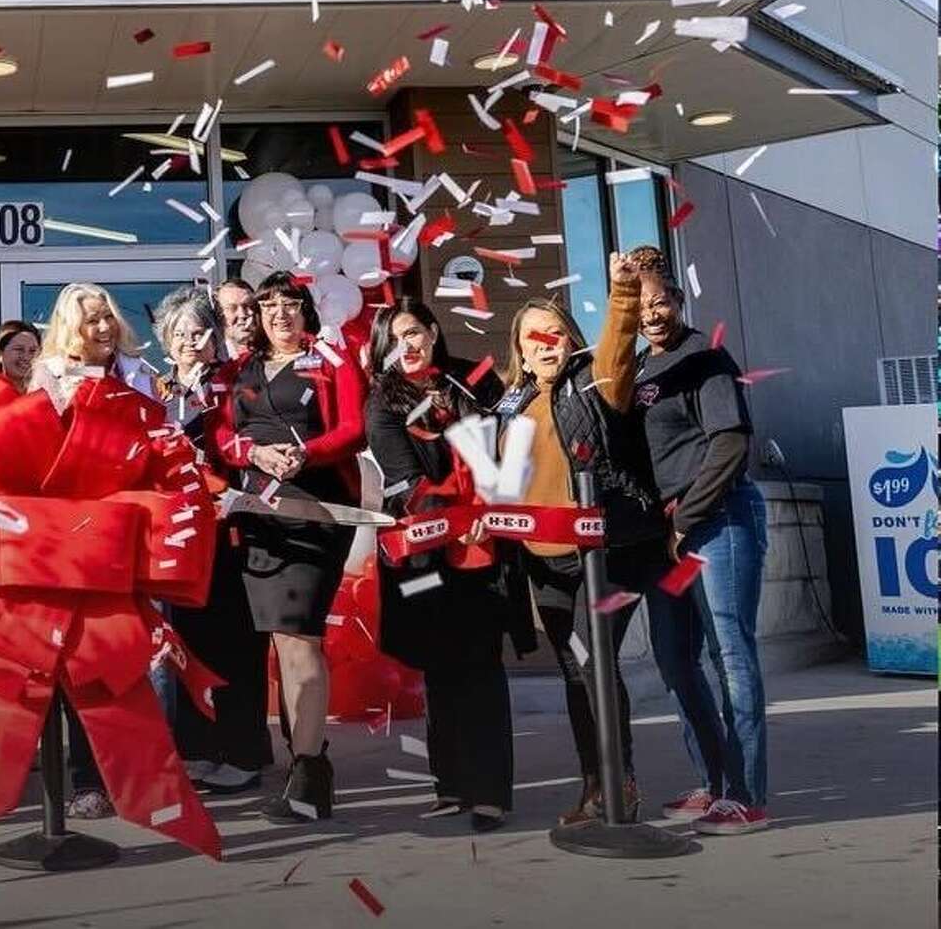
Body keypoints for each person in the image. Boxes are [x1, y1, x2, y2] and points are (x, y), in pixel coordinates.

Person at [495, 255, 667, 827]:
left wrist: (622, 291)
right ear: (518, 349)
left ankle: (620, 782)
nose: (544, 345)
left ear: (568, 338)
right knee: (574, 669)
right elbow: (502, 481)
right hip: (545, 561)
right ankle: (594, 782)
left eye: (553, 334)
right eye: (531, 338)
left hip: (608, 551)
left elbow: (618, 343)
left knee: (595, 663)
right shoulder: (511, 405)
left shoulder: (594, 380)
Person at [365, 299, 530, 832]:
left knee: (481, 667)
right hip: (425, 556)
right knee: (440, 667)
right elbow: (406, 483)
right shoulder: (383, 403)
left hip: (484, 548)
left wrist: (493, 509)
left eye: (413, 332)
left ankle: (489, 792)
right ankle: (451, 784)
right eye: (393, 340)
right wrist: (460, 516)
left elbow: (509, 454)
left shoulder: (471, 381)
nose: (406, 345)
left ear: (433, 332)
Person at [211, 273, 365, 823]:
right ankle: (304, 757)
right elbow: (221, 435)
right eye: (269, 305)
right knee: (280, 642)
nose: (279, 313)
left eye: (290, 304)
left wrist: (306, 453)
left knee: (300, 640)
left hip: (315, 511)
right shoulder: (238, 370)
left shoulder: (331, 359)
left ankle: (309, 775)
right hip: (258, 518)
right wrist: (251, 454)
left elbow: (354, 428)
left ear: (307, 311)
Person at [629, 247, 771, 836]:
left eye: (661, 299)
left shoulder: (705, 358)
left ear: (679, 300)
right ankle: (713, 780)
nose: (653, 312)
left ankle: (745, 794)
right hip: (667, 537)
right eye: (641, 304)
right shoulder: (636, 369)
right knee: (673, 658)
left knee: (730, 657)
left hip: (717, 522)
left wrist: (687, 517)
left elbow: (731, 442)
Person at [28, 282, 162, 818]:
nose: (103, 328)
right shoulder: (48, 378)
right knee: (78, 664)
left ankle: (134, 772)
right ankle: (86, 777)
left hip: (130, 533)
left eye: (106, 316)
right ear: (68, 327)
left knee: (128, 660)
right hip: (72, 540)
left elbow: (162, 444)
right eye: (90, 320)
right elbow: (37, 456)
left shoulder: (140, 373)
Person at [153, 286, 270, 794]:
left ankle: (244, 750)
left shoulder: (234, 382)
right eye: (179, 334)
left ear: (215, 336)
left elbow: (241, 448)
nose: (189, 341)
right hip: (179, 537)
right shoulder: (159, 390)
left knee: (235, 646)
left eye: (198, 332)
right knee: (189, 644)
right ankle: (198, 747)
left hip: (230, 531)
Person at [0, 319, 41, 393]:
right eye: (19, 349)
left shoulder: (48, 398)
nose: (26, 357)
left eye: (33, 351)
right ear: (0, 354)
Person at [215, 278, 259, 365]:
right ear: (219, 314)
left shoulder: (273, 353)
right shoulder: (212, 357)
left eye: (248, 306)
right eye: (232, 308)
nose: (242, 315)